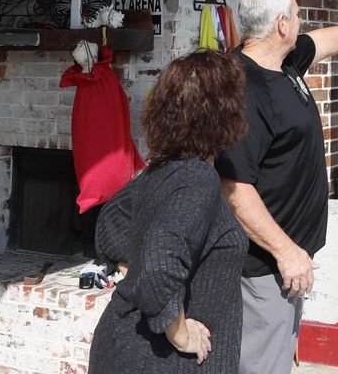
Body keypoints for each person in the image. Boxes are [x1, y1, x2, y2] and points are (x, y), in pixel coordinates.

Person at [215, 0, 338, 374]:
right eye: (297, 16)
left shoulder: (284, 62)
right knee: (261, 365)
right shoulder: (243, 89)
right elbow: (234, 188)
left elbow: (323, 41)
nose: (301, 24)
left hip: (291, 260)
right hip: (265, 265)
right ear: (281, 24)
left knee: (279, 358)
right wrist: (286, 252)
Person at [89, 50, 249, 373]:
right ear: (222, 113)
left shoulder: (160, 172)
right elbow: (160, 262)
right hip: (160, 360)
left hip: (124, 349)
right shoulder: (198, 178)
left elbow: (109, 224)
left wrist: (137, 268)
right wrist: (180, 334)